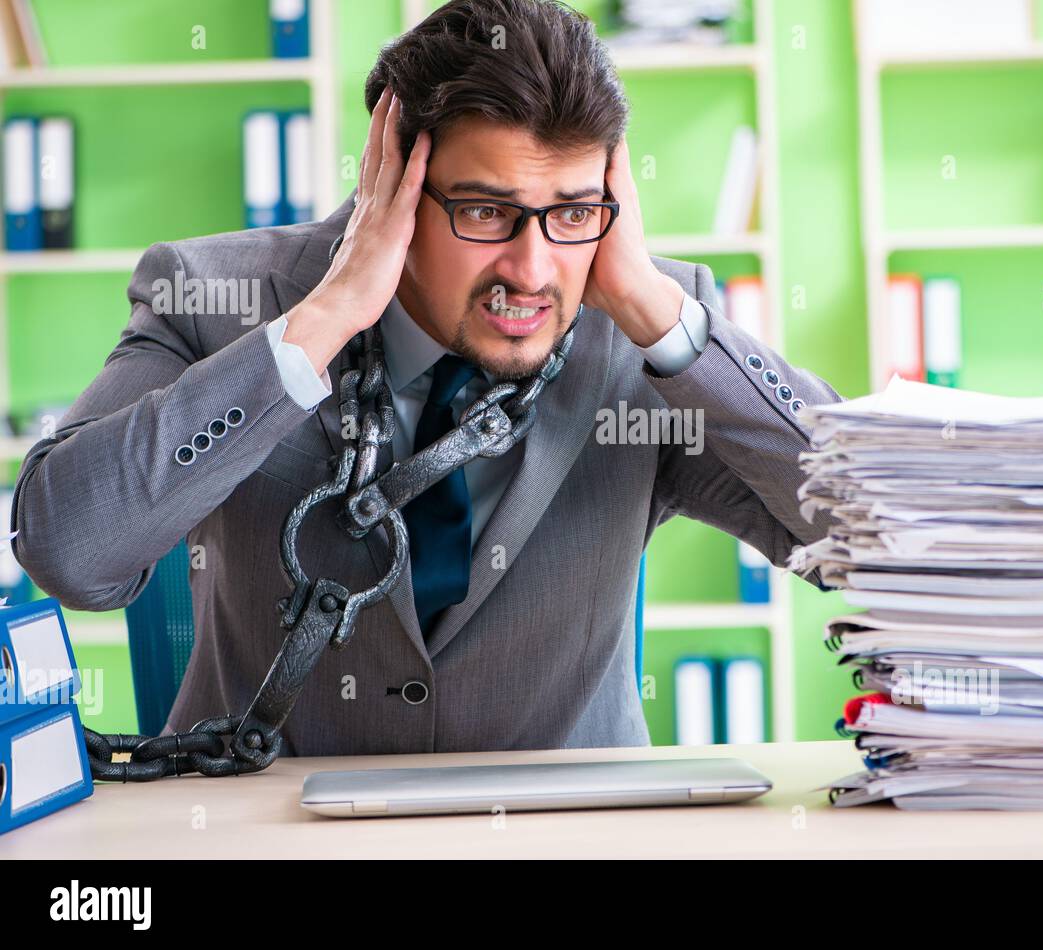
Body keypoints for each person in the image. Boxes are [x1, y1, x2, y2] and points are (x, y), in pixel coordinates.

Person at [11, 0, 842, 755]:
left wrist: (665, 324)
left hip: (570, 843)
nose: (533, 268)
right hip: (277, 841)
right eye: (485, 212)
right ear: (393, 183)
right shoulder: (212, 299)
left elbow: (858, 544)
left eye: (572, 211)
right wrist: (318, 327)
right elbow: (71, 554)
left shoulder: (646, 335)